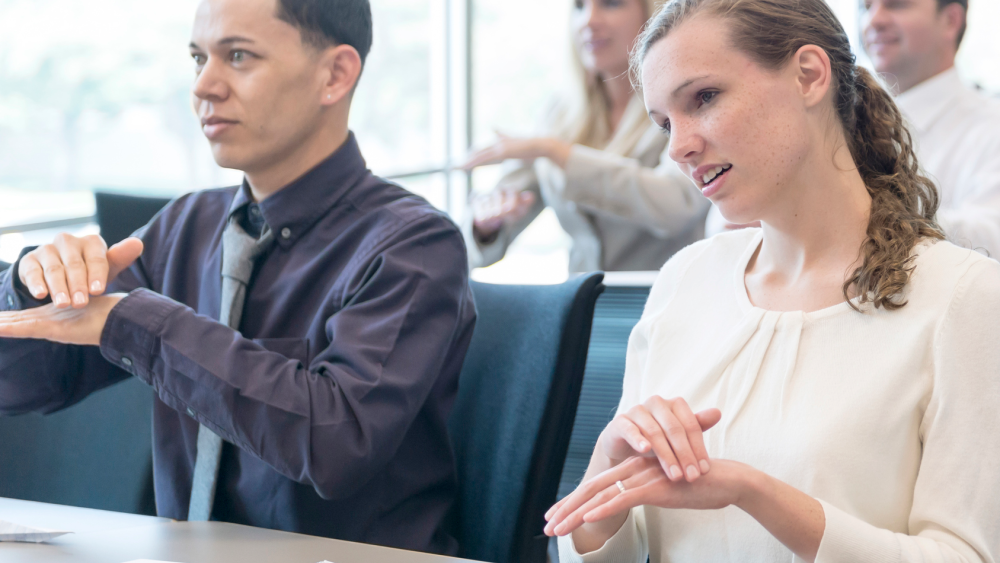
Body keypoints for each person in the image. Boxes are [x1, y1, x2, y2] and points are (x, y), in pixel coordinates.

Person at [0, 0, 476, 555]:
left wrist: (142, 324)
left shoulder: (414, 245)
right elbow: (22, 382)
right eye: (199, 58)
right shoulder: (185, 226)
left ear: (335, 74)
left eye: (239, 56)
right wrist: (29, 287)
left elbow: (338, 442)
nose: (204, 86)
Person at [543, 0, 1000, 561]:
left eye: (703, 99)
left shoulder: (963, 298)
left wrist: (755, 494)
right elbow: (610, 549)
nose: (677, 146)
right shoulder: (685, 280)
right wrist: (607, 471)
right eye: (665, 122)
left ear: (809, 75)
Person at [707, 0, 1000, 256]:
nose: (874, 20)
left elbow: (992, 241)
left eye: (896, 4)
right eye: (866, 7)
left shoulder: (991, 127)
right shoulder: (820, 113)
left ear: (950, 20)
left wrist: (847, 214)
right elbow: (721, 228)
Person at [462, 0, 709, 273]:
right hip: (582, 305)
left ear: (653, 14)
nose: (588, 21)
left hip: (664, 299)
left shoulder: (680, 103)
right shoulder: (560, 114)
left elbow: (677, 207)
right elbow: (481, 248)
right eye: (579, 6)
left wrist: (559, 153)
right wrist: (485, 224)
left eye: (611, 4)